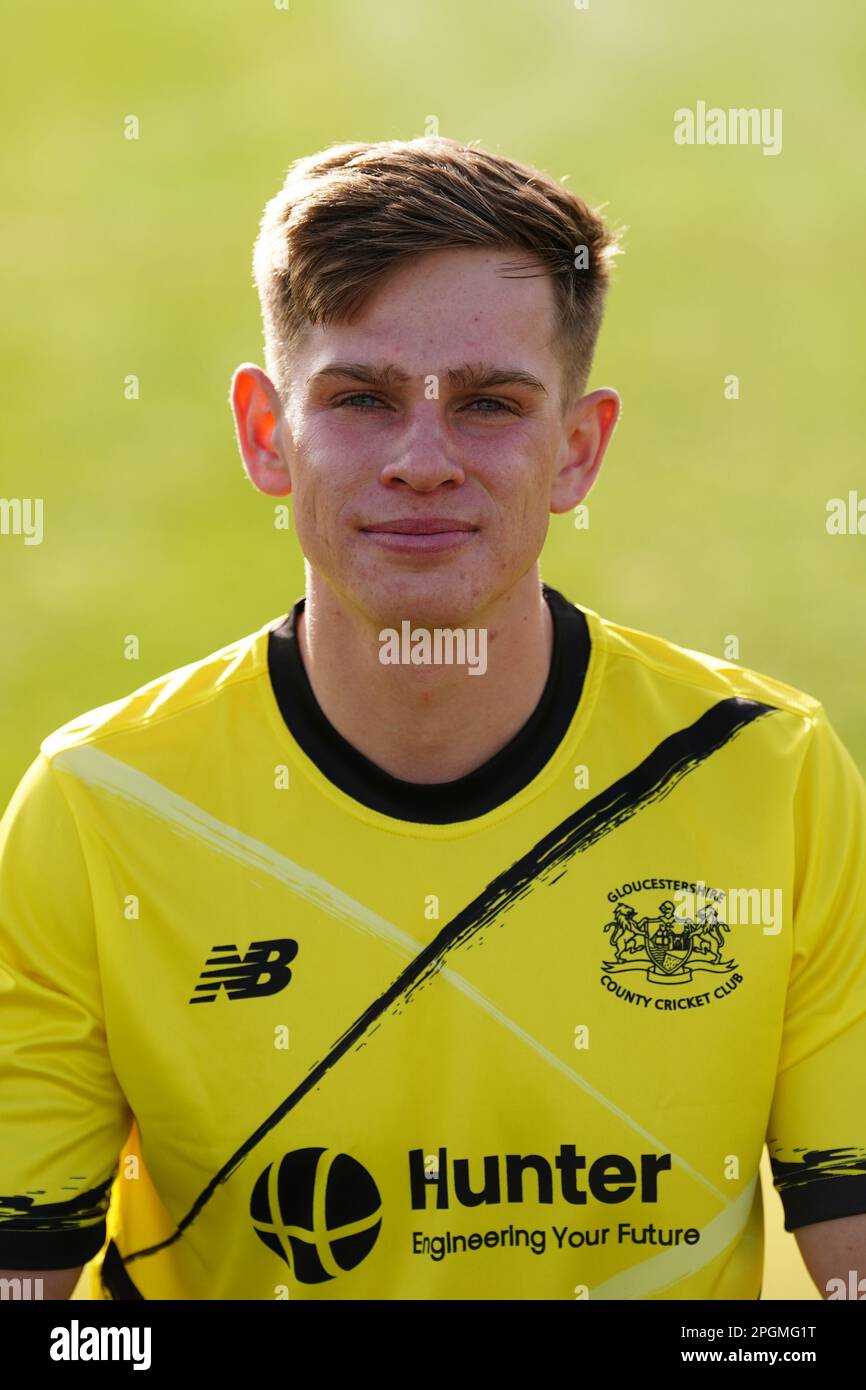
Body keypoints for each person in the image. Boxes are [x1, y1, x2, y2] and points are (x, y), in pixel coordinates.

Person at [1, 137, 864, 1301]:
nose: (421, 460)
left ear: (576, 447)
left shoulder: (769, 770)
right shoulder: (98, 807)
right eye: (358, 398)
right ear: (266, 435)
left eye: (487, 404)